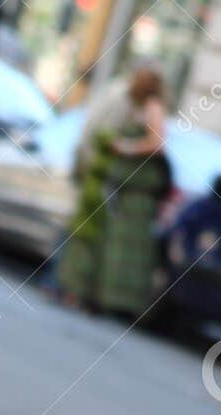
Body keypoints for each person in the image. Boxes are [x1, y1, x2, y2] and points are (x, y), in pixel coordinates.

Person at [59, 65, 171, 317]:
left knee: (125, 246)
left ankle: (116, 301)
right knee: (109, 241)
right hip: (124, 184)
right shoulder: (135, 104)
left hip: (138, 191)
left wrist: (127, 147)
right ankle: (96, 296)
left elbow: (157, 144)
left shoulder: (152, 106)